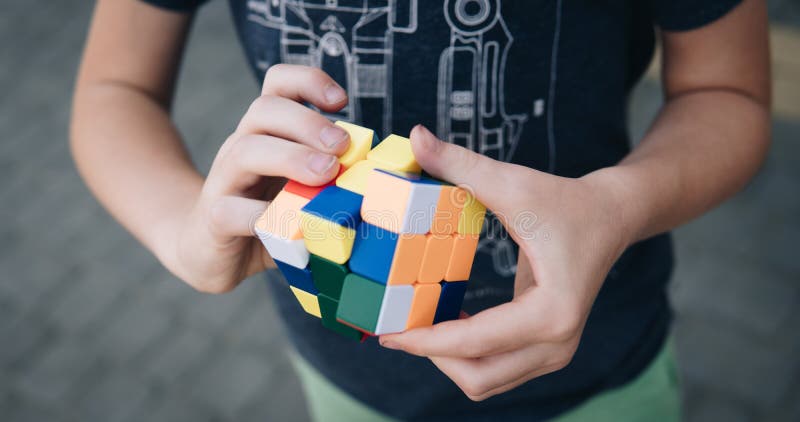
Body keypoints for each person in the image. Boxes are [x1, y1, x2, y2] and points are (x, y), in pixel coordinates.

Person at [70, 0, 770, 420]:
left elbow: (727, 90)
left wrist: (617, 205)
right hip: (346, 374)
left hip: (602, 370)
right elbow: (115, 86)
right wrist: (182, 232)